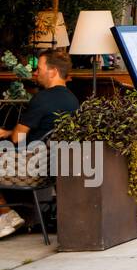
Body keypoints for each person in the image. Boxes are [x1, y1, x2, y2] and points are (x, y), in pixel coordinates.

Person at [0, 51, 79, 239]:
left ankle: (6, 214)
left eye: (39, 68)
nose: (36, 73)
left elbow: (17, 138)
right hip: (51, 165)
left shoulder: (42, 99)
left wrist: (7, 133)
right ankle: (16, 215)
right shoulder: (72, 100)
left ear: (52, 71)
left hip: (28, 168)